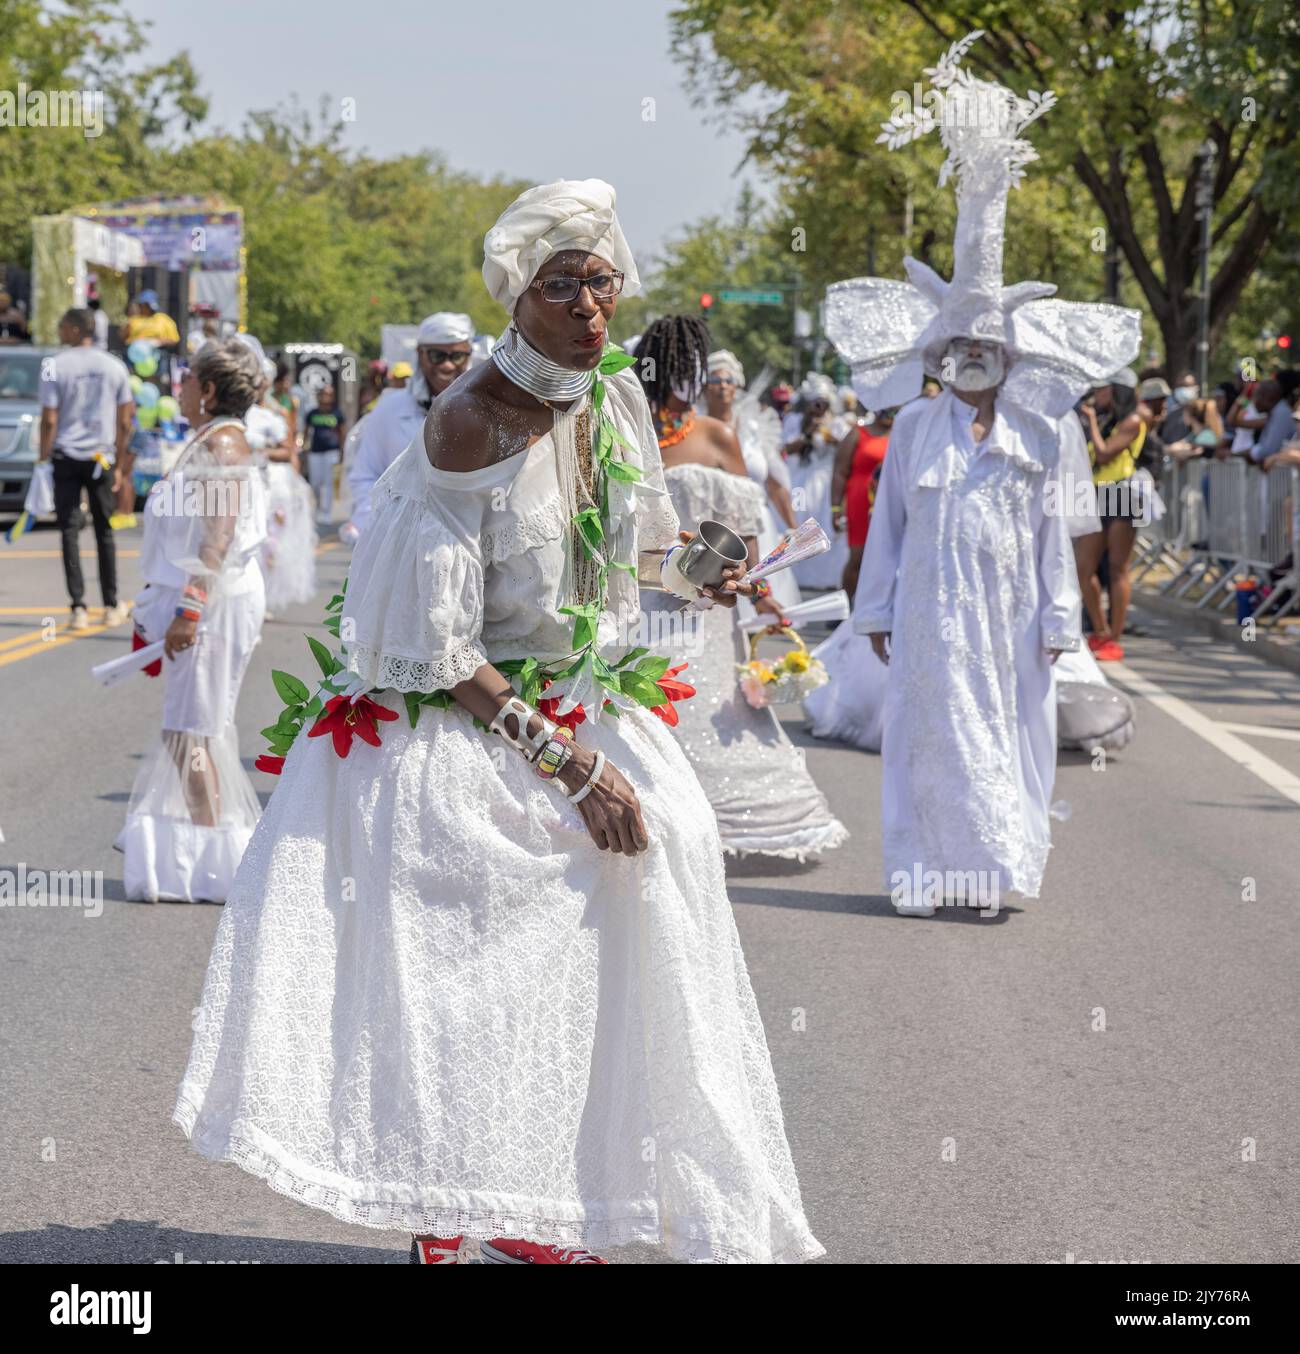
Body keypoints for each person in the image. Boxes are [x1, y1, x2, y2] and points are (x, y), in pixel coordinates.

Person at [172, 179, 824, 1266]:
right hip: (470, 719)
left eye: (600, 283)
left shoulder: (613, 399)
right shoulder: (467, 424)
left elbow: (633, 552)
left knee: (667, 867)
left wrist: (700, 570)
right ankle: (452, 1197)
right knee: (477, 956)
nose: (586, 307)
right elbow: (435, 647)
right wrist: (565, 765)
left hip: (577, 699)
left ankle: (550, 1197)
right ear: (515, 300)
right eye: (559, 286)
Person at [825, 32, 1140, 913]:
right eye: (956, 344)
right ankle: (926, 872)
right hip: (927, 614)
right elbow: (885, 527)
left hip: (1008, 620)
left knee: (1002, 731)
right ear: (937, 353)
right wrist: (877, 610)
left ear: (1009, 352)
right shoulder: (918, 427)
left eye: (985, 344)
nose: (971, 356)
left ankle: (997, 867)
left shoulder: (1041, 435)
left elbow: (1054, 539)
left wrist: (1056, 621)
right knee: (929, 737)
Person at [638, 315, 847, 862]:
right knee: (649, 710)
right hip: (642, 601)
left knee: (713, 709)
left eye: (692, 370)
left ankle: (725, 827)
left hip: (710, 606)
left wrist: (759, 590)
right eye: (676, 370)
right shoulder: (626, 436)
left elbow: (745, 526)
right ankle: (659, 824)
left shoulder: (717, 436)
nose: (685, 381)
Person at [117, 338, 268, 901]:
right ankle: (209, 854)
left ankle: (217, 860)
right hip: (210, 596)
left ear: (206, 390)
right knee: (194, 726)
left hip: (214, 600)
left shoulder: (223, 447)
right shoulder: (209, 440)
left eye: (185, 379)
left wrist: (190, 607)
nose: (176, 387)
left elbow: (217, 536)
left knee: (192, 729)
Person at [38, 309, 136, 630]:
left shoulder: (54, 366)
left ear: (77, 329)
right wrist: (120, 465)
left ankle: (77, 606)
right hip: (101, 458)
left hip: (66, 456)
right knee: (104, 531)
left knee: (68, 530)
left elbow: (50, 419)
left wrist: (42, 459)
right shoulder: (114, 366)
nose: (59, 331)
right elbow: (125, 422)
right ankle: (111, 603)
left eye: (63, 326)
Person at [345, 312, 474, 535]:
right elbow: (366, 476)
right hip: (399, 542)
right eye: (437, 355)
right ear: (420, 354)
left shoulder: (486, 410)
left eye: (457, 357)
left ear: (470, 356)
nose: (447, 366)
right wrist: (375, 530)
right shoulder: (389, 410)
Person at [702, 348, 801, 611]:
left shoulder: (755, 427)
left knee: (760, 608)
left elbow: (775, 482)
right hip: (712, 529)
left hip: (757, 529)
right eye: (714, 380)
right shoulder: (694, 429)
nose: (722, 386)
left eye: (728, 380)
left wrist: (793, 529)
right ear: (703, 387)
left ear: (737, 387)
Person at [781, 372, 851, 589]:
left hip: (827, 481)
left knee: (826, 526)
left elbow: (847, 451)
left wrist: (833, 439)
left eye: (823, 402)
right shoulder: (795, 421)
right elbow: (785, 449)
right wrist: (807, 434)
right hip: (801, 479)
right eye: (815, 402)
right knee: (800, 522)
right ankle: (796, 574)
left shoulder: (838, 423)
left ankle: (827, 576)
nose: (819, 406)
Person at [830, 407, 892, 599]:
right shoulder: (858, 433)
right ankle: (845, 605)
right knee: (858, 556)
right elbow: (840, 472)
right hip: (860, 502)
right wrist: (836, 507)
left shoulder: (901, 433)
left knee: (886, 556)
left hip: (889, 501)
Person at [302, 383, 346, 523]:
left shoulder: (337, 413)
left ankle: (326, 512)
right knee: (315, 482)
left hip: (331, 452)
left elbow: (342, 433)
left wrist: (342, 451)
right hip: (315, 452)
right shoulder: (312, 413)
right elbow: (306, 432)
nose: (326, 397)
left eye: (329, 394)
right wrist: (304, 448)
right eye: (324, 394)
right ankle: (317, 508)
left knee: (328, 483)